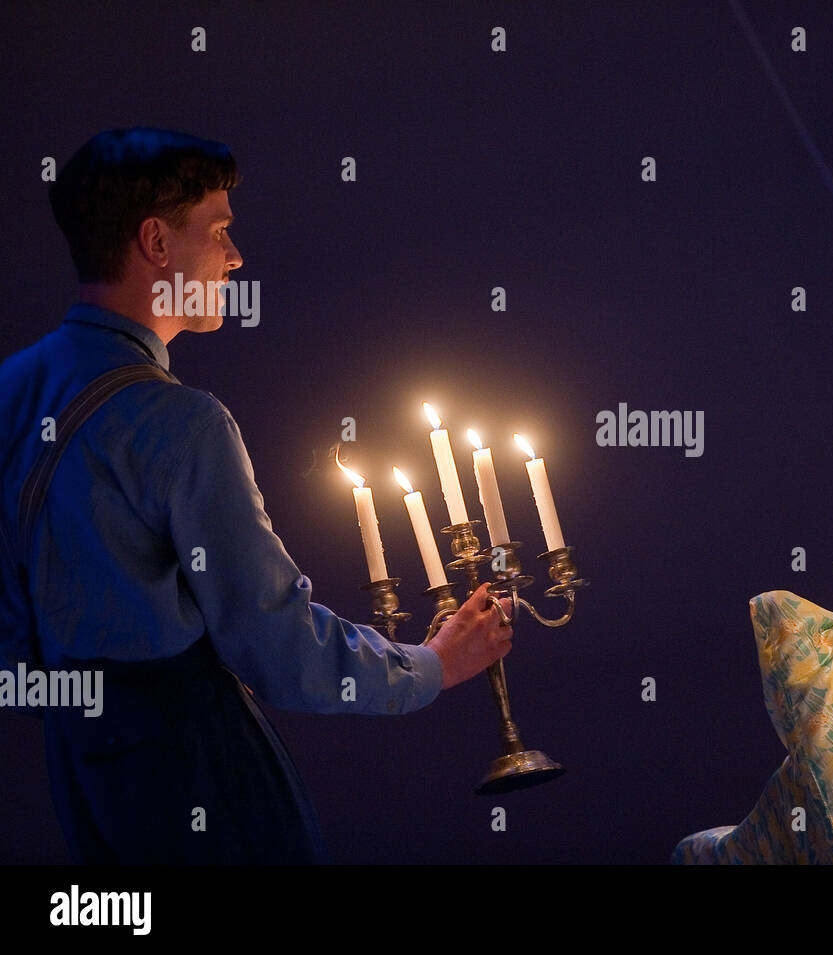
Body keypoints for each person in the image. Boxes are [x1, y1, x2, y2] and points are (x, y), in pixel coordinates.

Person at [0, 128, 513, 863]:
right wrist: (433, 665)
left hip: (87, 777)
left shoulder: (11, 390)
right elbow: (275, 642)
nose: (236, 257)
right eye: (219, 231)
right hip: (204, 777)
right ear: (156, 242)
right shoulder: (182, 423)